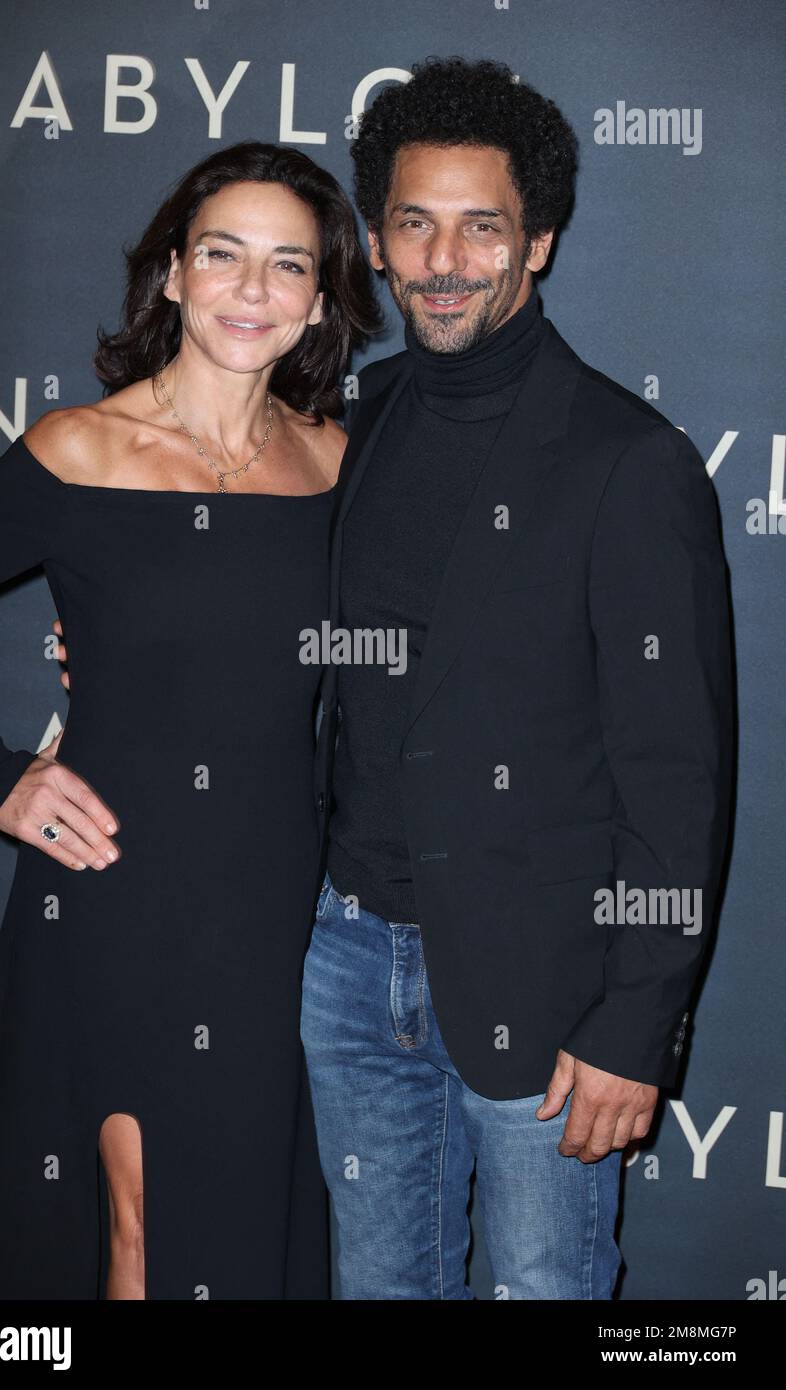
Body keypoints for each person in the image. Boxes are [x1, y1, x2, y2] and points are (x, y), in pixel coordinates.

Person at [300, 57, 734, 1299]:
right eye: (412, 223)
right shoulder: (357, 417)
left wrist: (633, 1025)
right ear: (375, 242)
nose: (442, 259)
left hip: (546, 987)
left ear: (535, 242)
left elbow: (675, 773)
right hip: (343, 961)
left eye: (479, 226)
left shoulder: (626, 460)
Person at [0, 140, 381, 1299]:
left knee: (242, 1227)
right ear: (172, 273)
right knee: (142, 1227)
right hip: (117, 887)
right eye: (222, 255)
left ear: (318, 299)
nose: (250, 290)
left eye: (286, 265)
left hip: (281, 902)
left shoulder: (340, 464)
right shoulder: (80, 450)